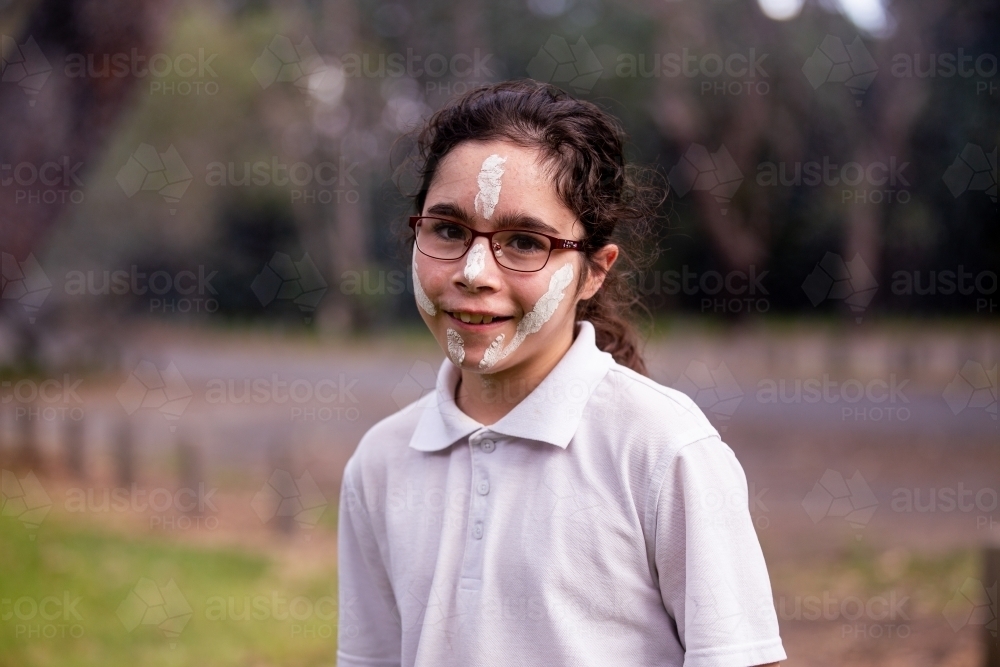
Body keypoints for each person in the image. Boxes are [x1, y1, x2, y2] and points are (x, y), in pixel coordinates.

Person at [337, 79, 786, 667]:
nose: (474, 271)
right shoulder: (380, 461)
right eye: (447, 230)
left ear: (594, 271)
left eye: (525, 242)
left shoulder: (663, 450)